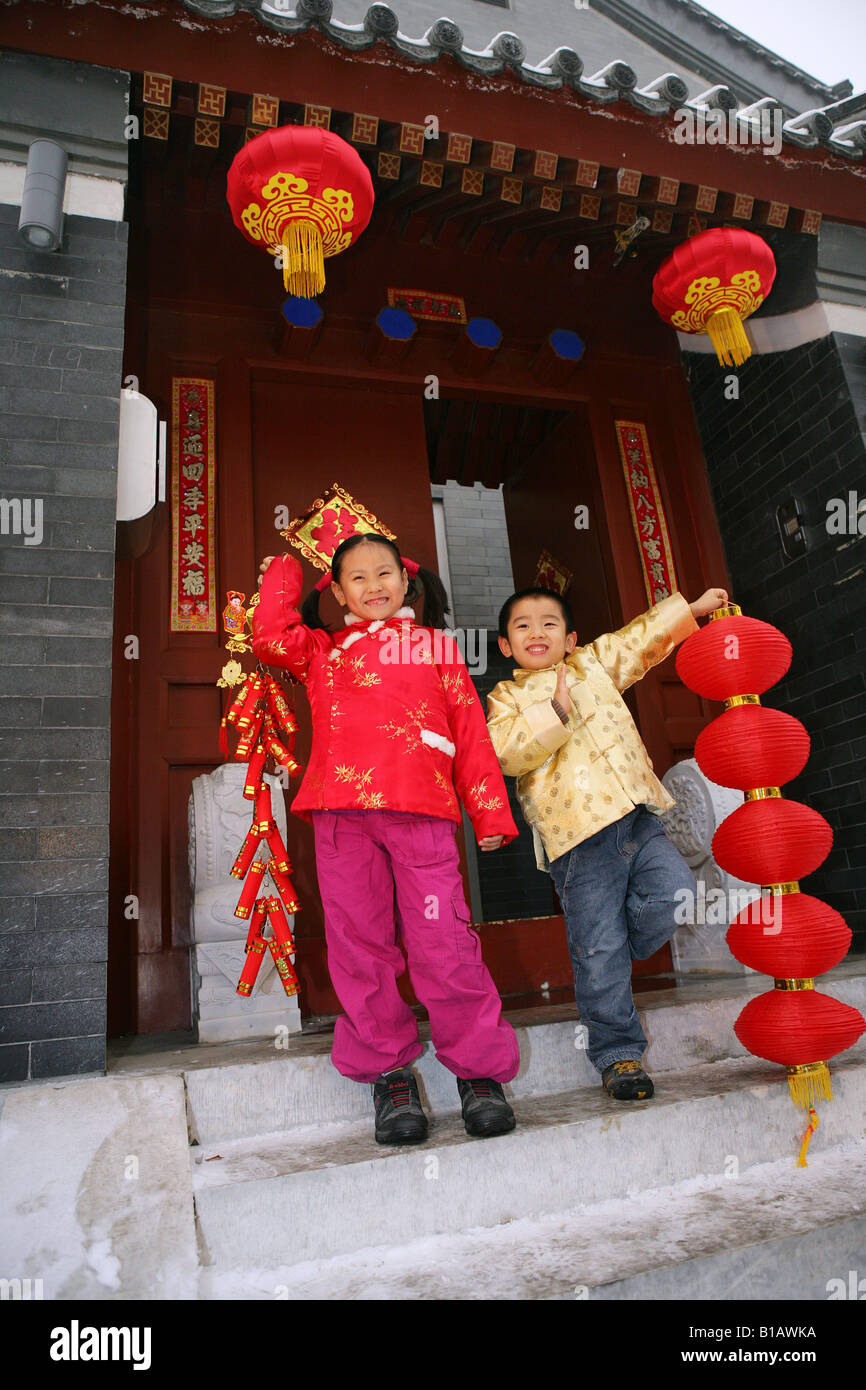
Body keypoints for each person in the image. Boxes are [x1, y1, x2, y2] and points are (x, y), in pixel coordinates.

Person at [253, 534, 520, 1144]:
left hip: (420, 811)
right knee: (359, 946)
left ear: (407, 582)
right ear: (338, 591)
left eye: (385, 573)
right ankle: (390, 1074)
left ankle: (479, 1074)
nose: (374, 586)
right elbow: (270, 637)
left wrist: (490, 814)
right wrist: (285, 572)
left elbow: (471, 732)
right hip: (341, 816)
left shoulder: (435, 647)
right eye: (357, 577)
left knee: (443, 941)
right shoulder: (323, 651)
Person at [486, 583, 728, 1101]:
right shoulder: (505, 699)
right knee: (598, 949)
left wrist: (692, 610)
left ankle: (612, 948)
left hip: (638, 816)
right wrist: (553, 711)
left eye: (549, 623)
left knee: (675, 892)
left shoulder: (594, 665)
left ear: (571, 638)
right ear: (505, 645)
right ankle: (618, 1054)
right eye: (522, 625)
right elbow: (506, 755)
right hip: (577, 838)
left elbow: (639, 640)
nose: (536, 632)